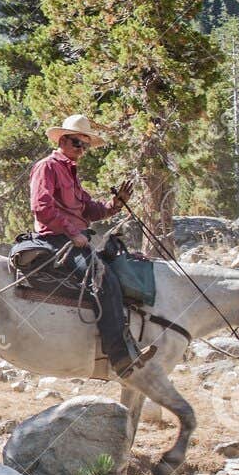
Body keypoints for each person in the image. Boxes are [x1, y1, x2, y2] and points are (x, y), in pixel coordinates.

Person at [29, 115, 150, 375]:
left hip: (73, 240)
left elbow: (89, 209)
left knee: (120, 268)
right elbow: (41, 207)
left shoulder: (71, 172)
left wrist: (114, 205)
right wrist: (73, 232)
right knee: (102, 278)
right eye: (76, 143)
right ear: (62, 140)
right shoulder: (47, 167)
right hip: (56, 240)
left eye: (85, 146)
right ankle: (119, 356)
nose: (81, 150)